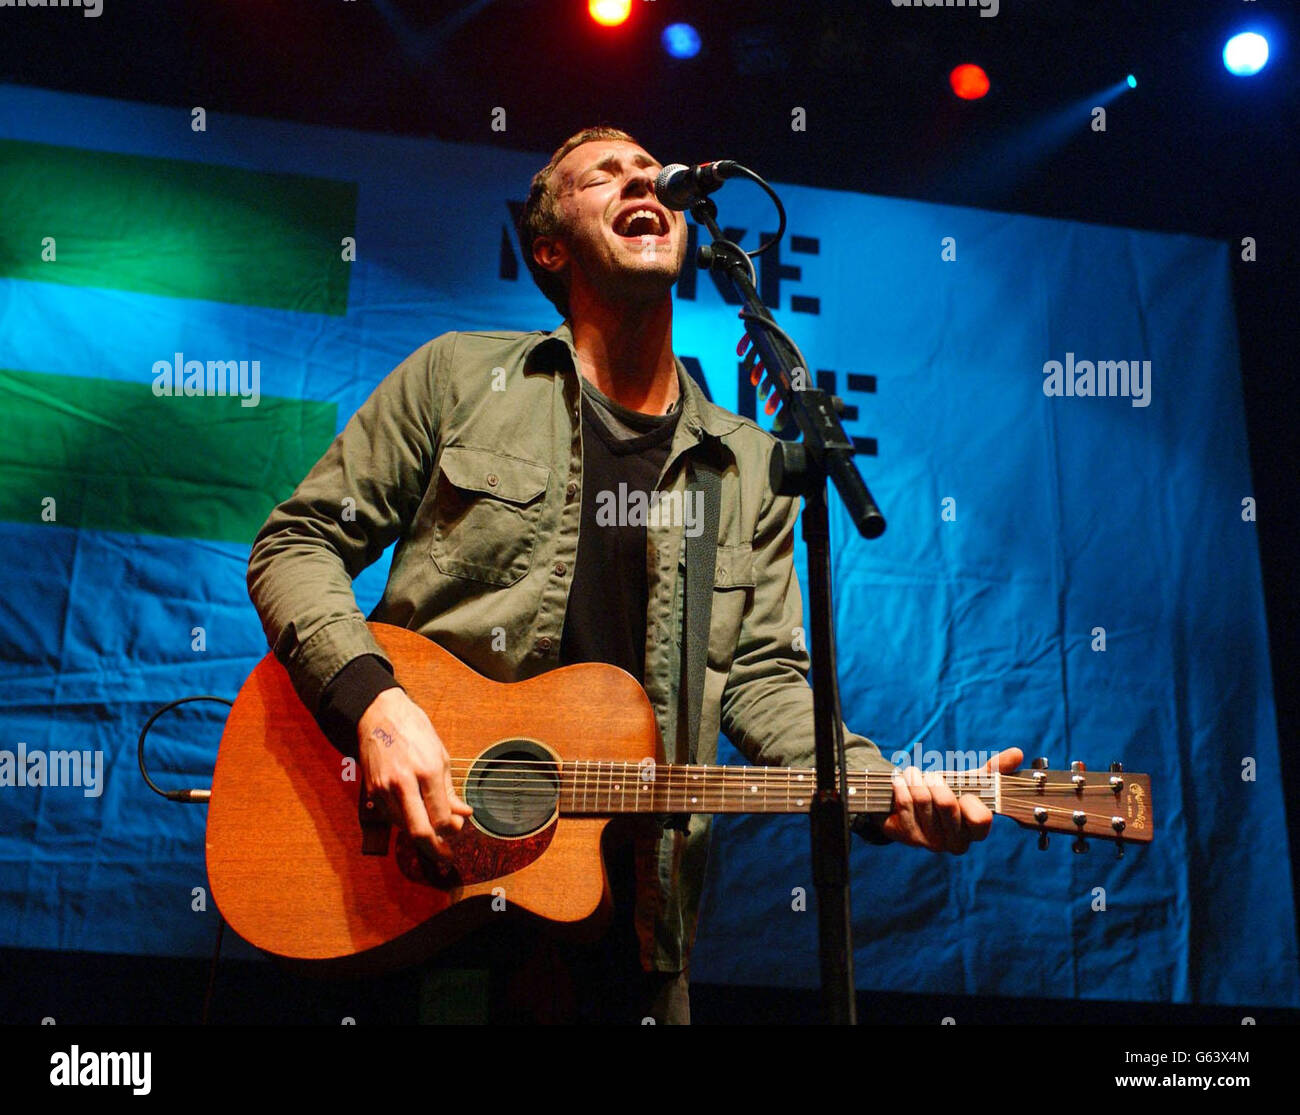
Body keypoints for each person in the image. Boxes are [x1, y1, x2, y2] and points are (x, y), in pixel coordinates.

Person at [246, 126, 1022, 1024]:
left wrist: (883, 793)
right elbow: (295, 545)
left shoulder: (747, 465)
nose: (641, 182)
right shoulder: (456, 378)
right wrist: (375, 709)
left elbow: (765, 683)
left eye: (652, 174)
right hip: (424, 890)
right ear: (549, 245)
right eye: (603, 176)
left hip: (632, 932)